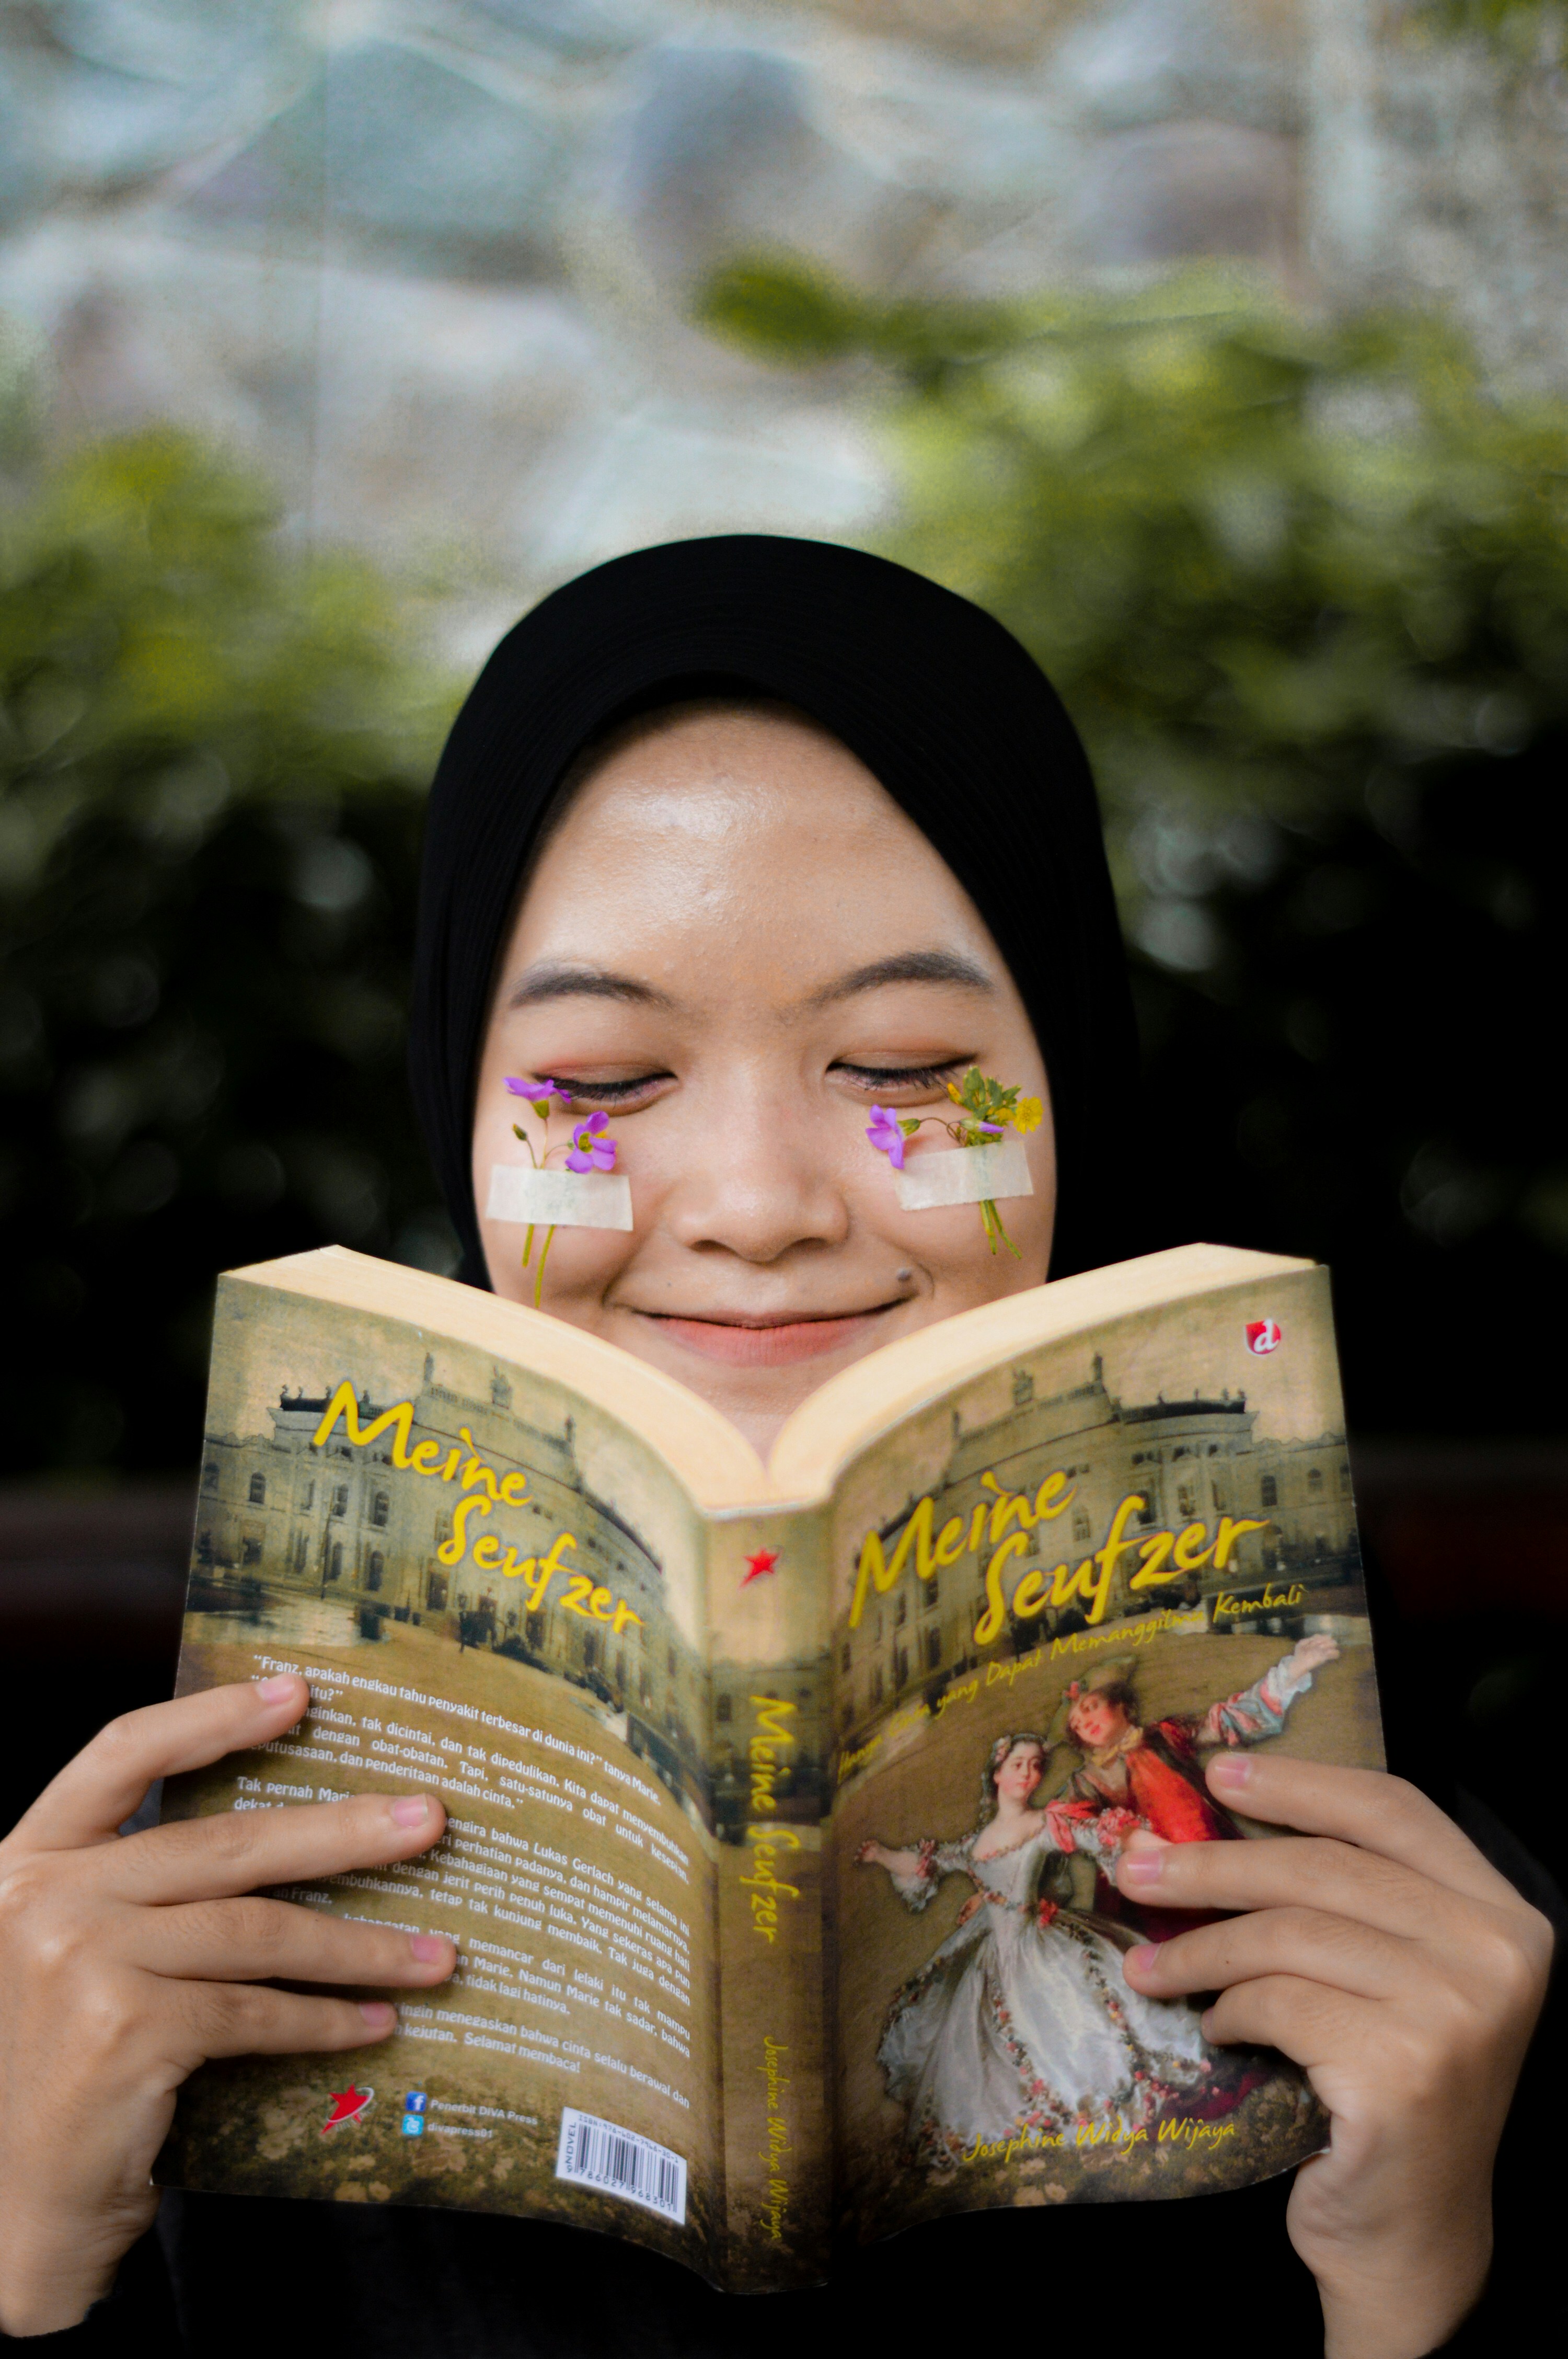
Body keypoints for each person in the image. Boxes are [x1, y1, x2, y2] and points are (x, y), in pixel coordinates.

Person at [0, 537, 1553, 2357]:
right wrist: (32, 2249)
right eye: (599, 1083)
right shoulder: (130, 1953)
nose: (752, 1205)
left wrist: (1415, 2282)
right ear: (453, 1095)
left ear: (1078, 1082)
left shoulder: (1430, 1952)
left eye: (903, 1065)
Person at [856, 1733, 1215, 2165]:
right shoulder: (972, 1846)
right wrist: (880, 1855)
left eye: (1035, 1765)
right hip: (994, 1959)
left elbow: (1097, 1837)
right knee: (989, 2049)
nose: (1028, 1773)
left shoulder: (1046, 1823)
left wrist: (1164, 1853)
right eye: (1018, 1765)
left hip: (1043, 1946)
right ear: (997, 1775)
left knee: (1078, 2022)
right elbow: (923, 1865)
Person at [1047, 1639, 1339, 1939]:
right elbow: (1056, 1826)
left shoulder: (1165, 1735)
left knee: (1248, 1925)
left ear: (1120, 1704)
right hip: (1156, 1889)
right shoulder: (1085, 1782)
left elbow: (1227, 1720)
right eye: (1077, 1723)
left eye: (1091, 1707)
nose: (1086, 1722)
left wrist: (1293, 1670)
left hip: (1211, 1853)